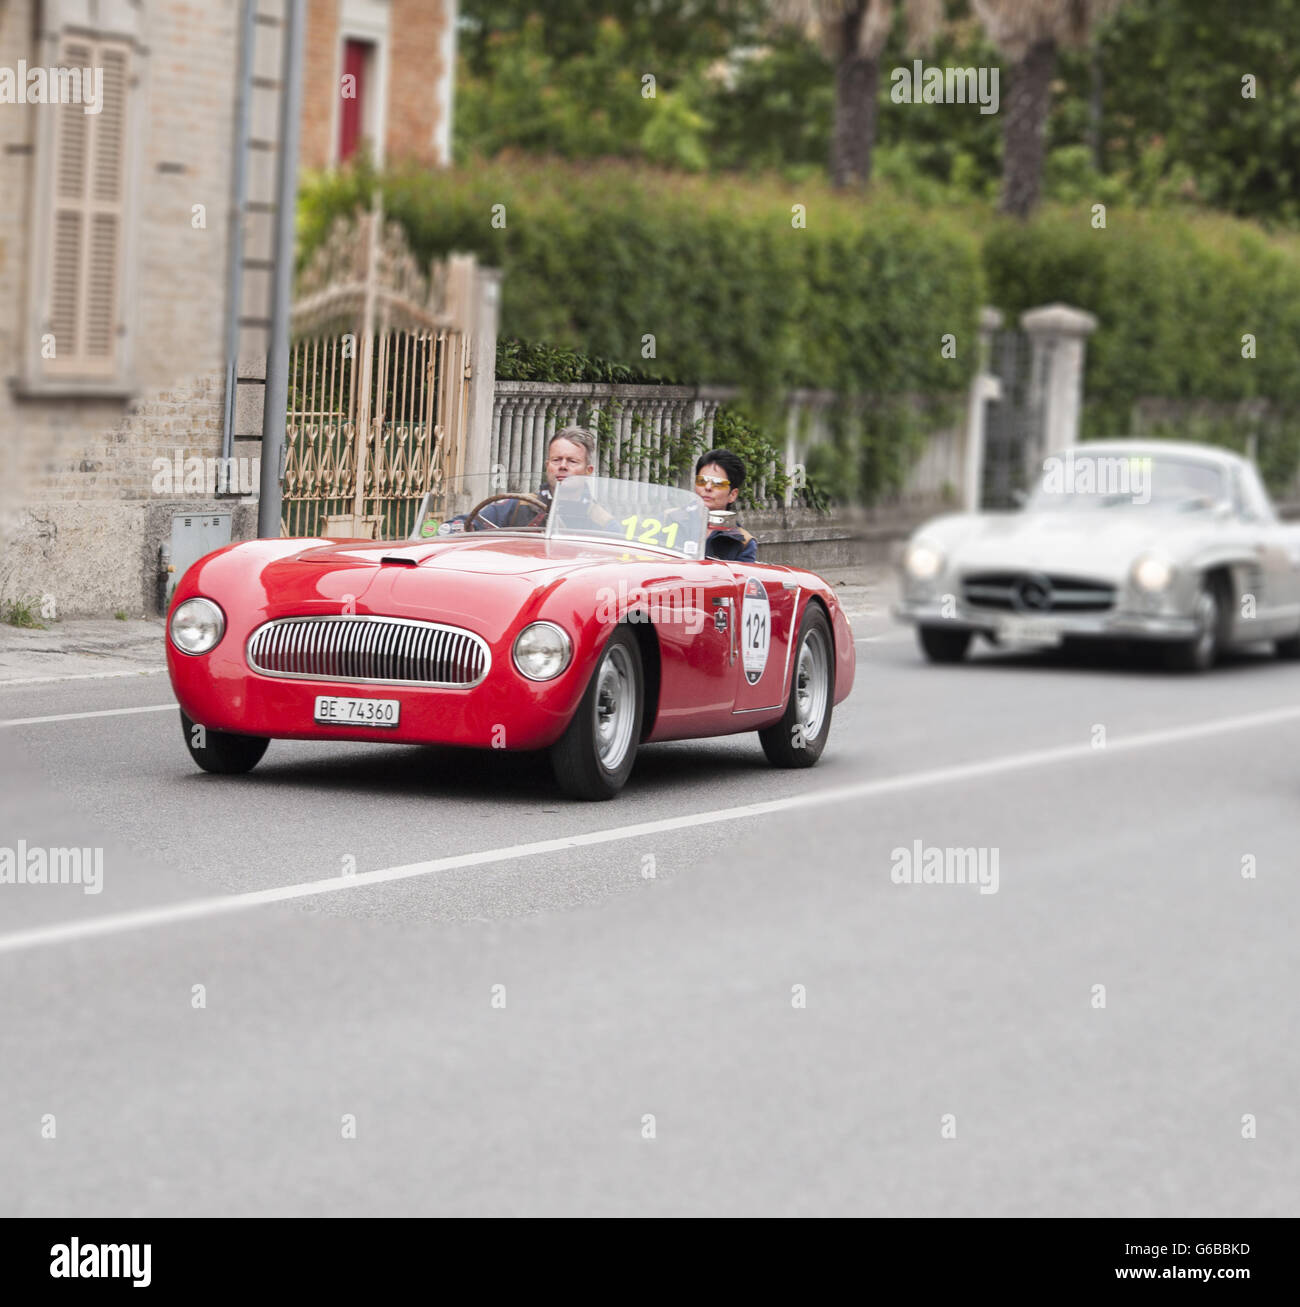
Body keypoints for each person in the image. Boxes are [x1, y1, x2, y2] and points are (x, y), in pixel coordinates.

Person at [451, 427, 596, 531]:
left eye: (572, 461)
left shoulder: (600, 520)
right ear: (547, 466)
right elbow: (465, 523)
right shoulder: (518, 505)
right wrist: (455, 530)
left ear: (588, 471)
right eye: (556, 460)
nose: (563, 466)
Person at [694, 448, 758, 563]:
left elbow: (739, 579)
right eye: (702, 481)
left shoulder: (743, 542)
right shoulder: (671, 520)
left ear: (732, 495)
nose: (707, 487)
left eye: (717, 483)